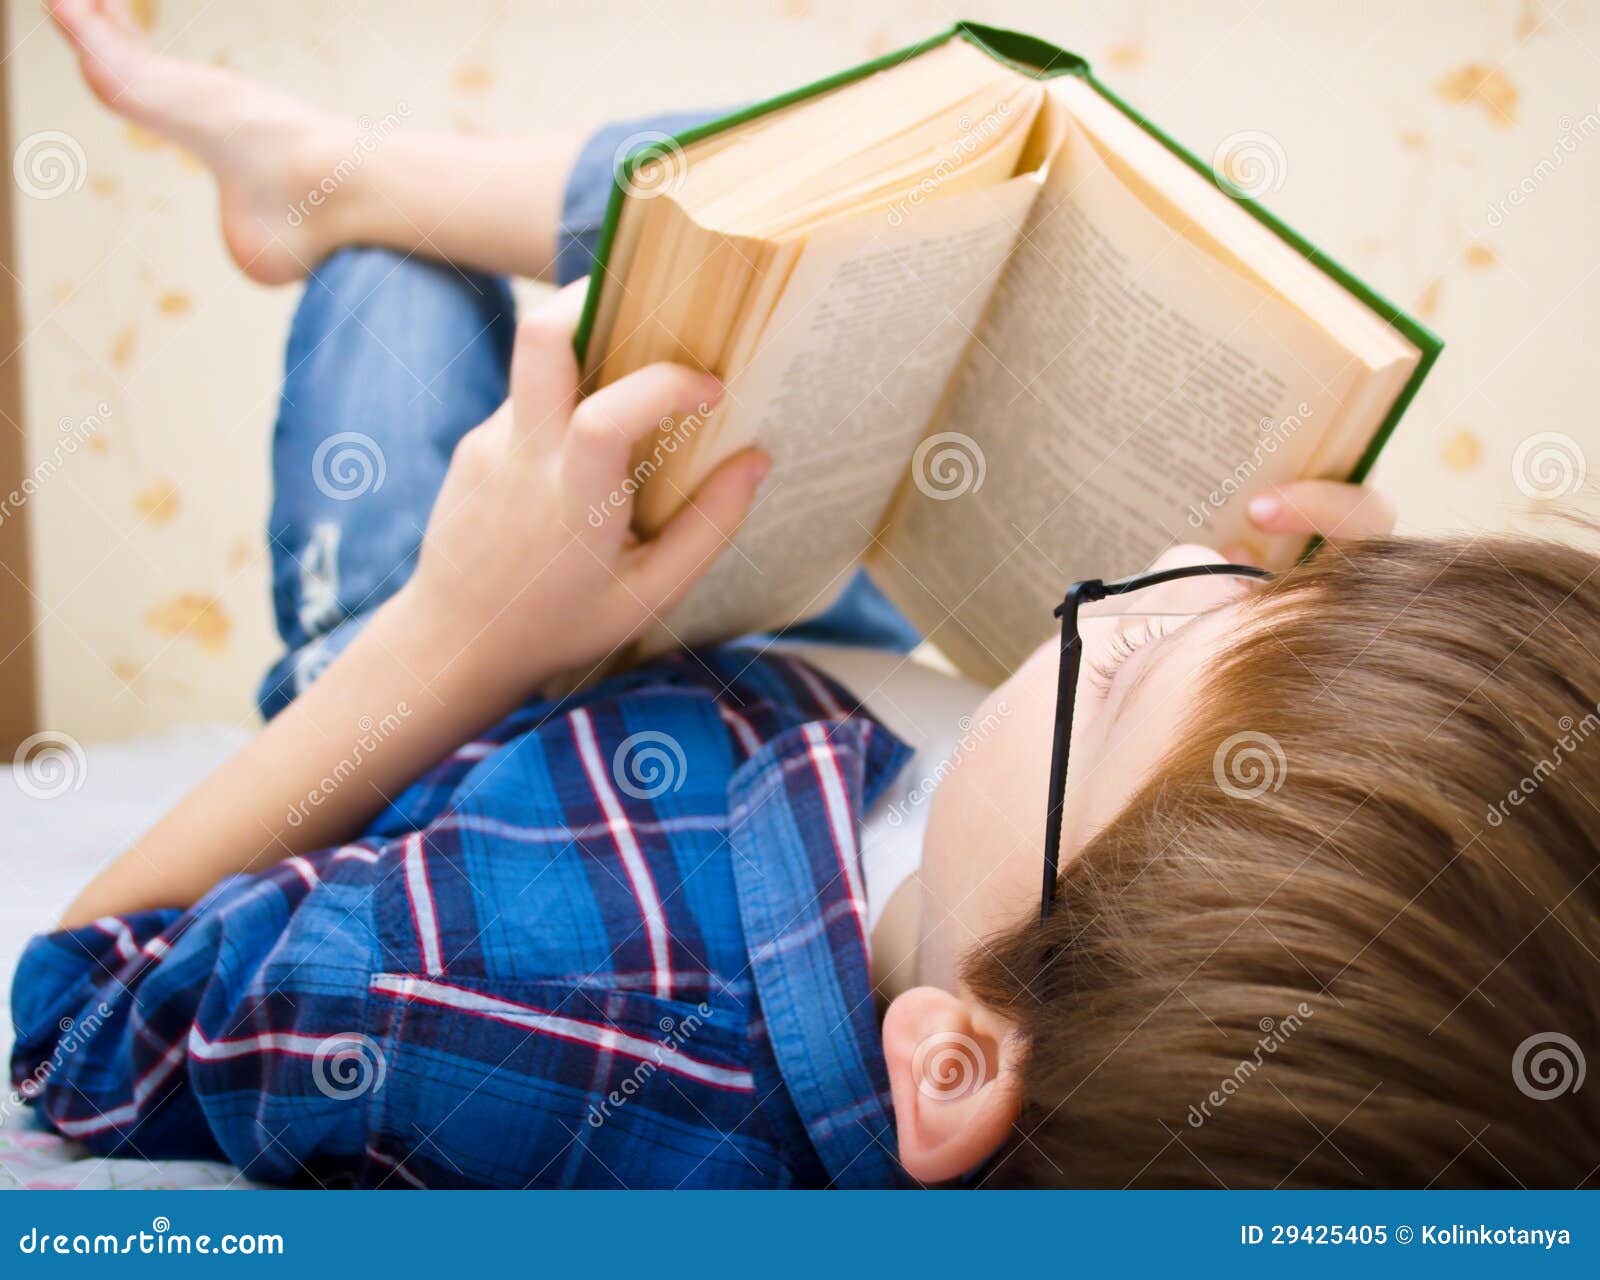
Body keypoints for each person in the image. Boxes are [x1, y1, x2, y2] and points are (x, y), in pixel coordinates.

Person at [14, 0, 1595, 1189]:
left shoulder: (493, 1001)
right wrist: (1294, 657)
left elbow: (79, 1015)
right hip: (775, 711)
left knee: (417, 282)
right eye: (1247, 595)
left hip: (464, 713)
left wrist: (457, 637)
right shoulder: (1037, 932)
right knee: (856, 184)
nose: (1173, 572)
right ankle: (348, 181)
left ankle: (323, 185)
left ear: (954, 1066)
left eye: (1119, 676)